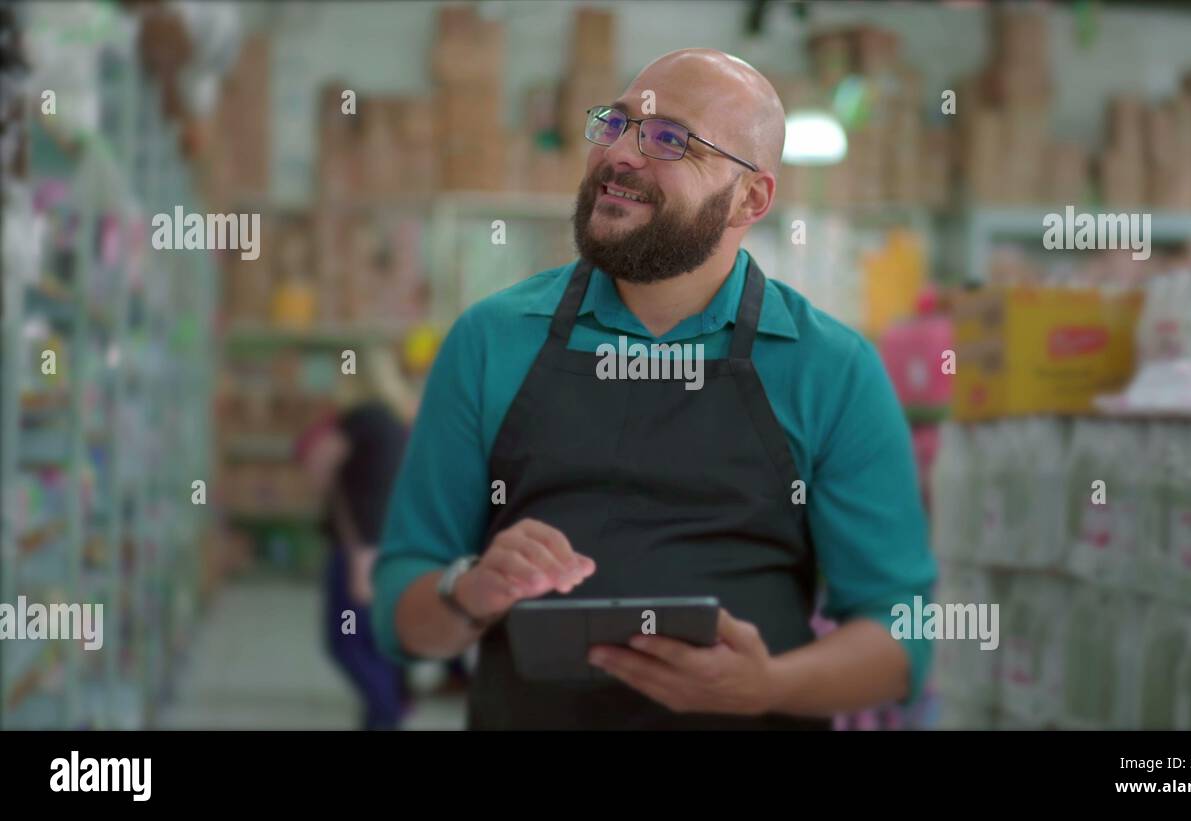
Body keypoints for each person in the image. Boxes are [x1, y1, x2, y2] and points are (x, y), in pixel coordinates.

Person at [374, 49, 937, 730]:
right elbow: (402, 614)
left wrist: (767, 684)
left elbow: (899, 635)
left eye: (669, 139)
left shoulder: (832, 370)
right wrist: (468, 592)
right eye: (615, 125)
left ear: (750, 198)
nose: (622, 155)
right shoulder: (491, 341)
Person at [298, 400, 410, 730]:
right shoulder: (394, 421)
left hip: (357, 550)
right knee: (373, 639)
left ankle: (386, 709)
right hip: (385, 543)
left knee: (345, 639)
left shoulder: (363, 417)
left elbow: (317, 462)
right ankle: (386, 709)